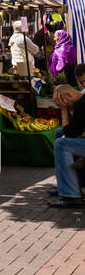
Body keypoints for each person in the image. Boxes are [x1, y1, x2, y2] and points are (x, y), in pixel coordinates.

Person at [50, 65, 85, 207]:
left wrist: (63, 109)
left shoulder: (82, 105)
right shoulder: (81, 101)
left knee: (61, 144)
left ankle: (71, 195)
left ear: (68, 96)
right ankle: (68, 185)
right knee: (59, 134)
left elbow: (70, 132)